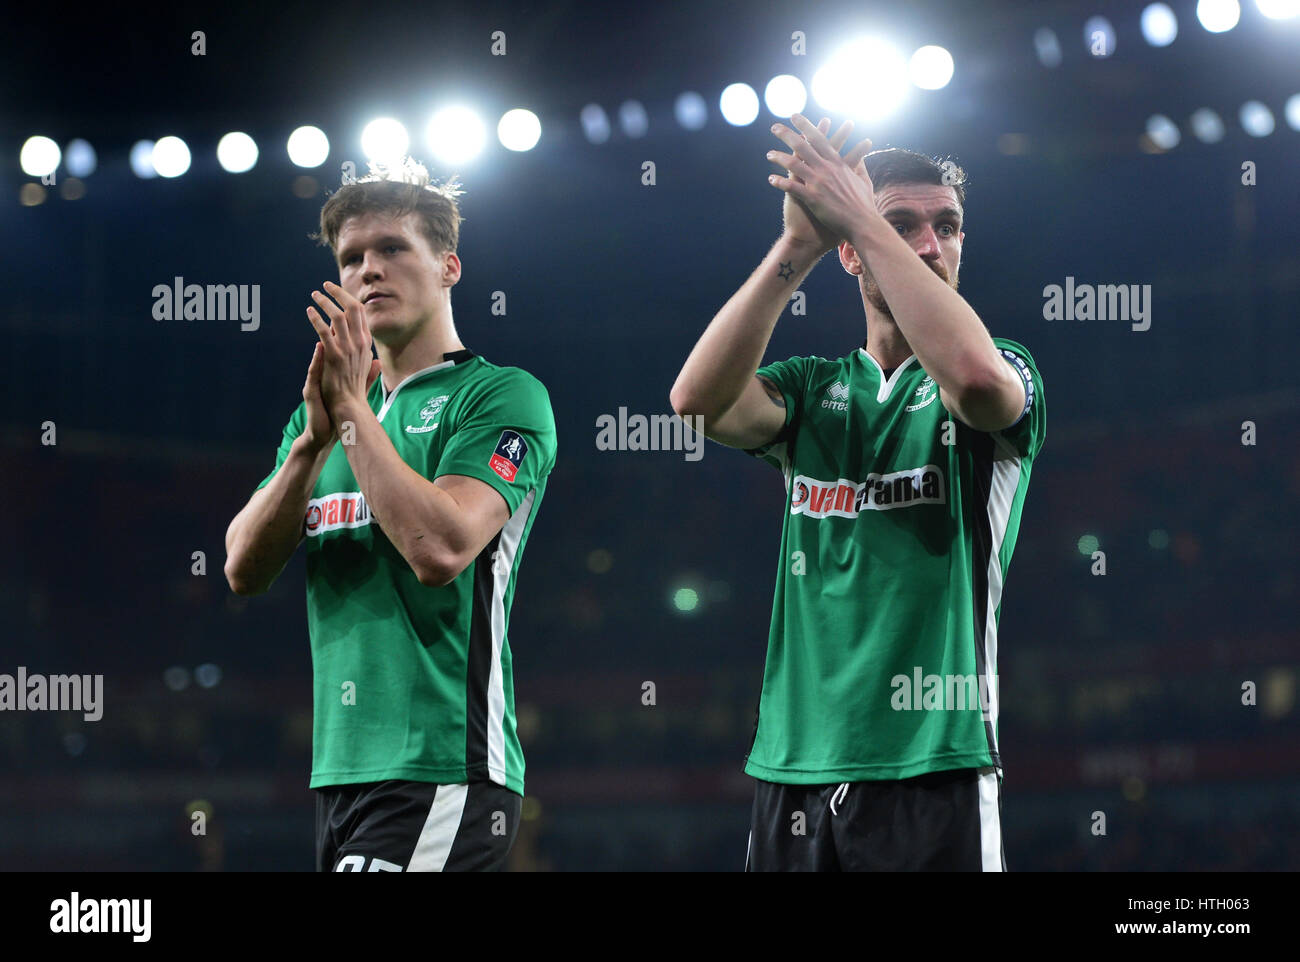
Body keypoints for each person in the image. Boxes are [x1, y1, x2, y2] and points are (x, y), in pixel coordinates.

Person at [670, 115, 1046, 871]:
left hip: (934, 760)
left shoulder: (1005, 365)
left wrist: (863, 218)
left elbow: (974, 383)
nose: (930, 244)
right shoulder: (816, 387)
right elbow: (697, 403)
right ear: (851, 251)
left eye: (948, 225)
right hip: (794, 763)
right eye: (900, 223)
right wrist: (796, 247)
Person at [223, 157, 557, 872]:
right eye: (351, 259)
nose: (368, 270)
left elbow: (440, 549)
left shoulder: (500, 396)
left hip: (444, 766)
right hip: (338, 773)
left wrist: (346, 413)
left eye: (393, 249)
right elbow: (242, 567)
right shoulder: (320, 424)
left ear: (449, 267)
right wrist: (315, 439)